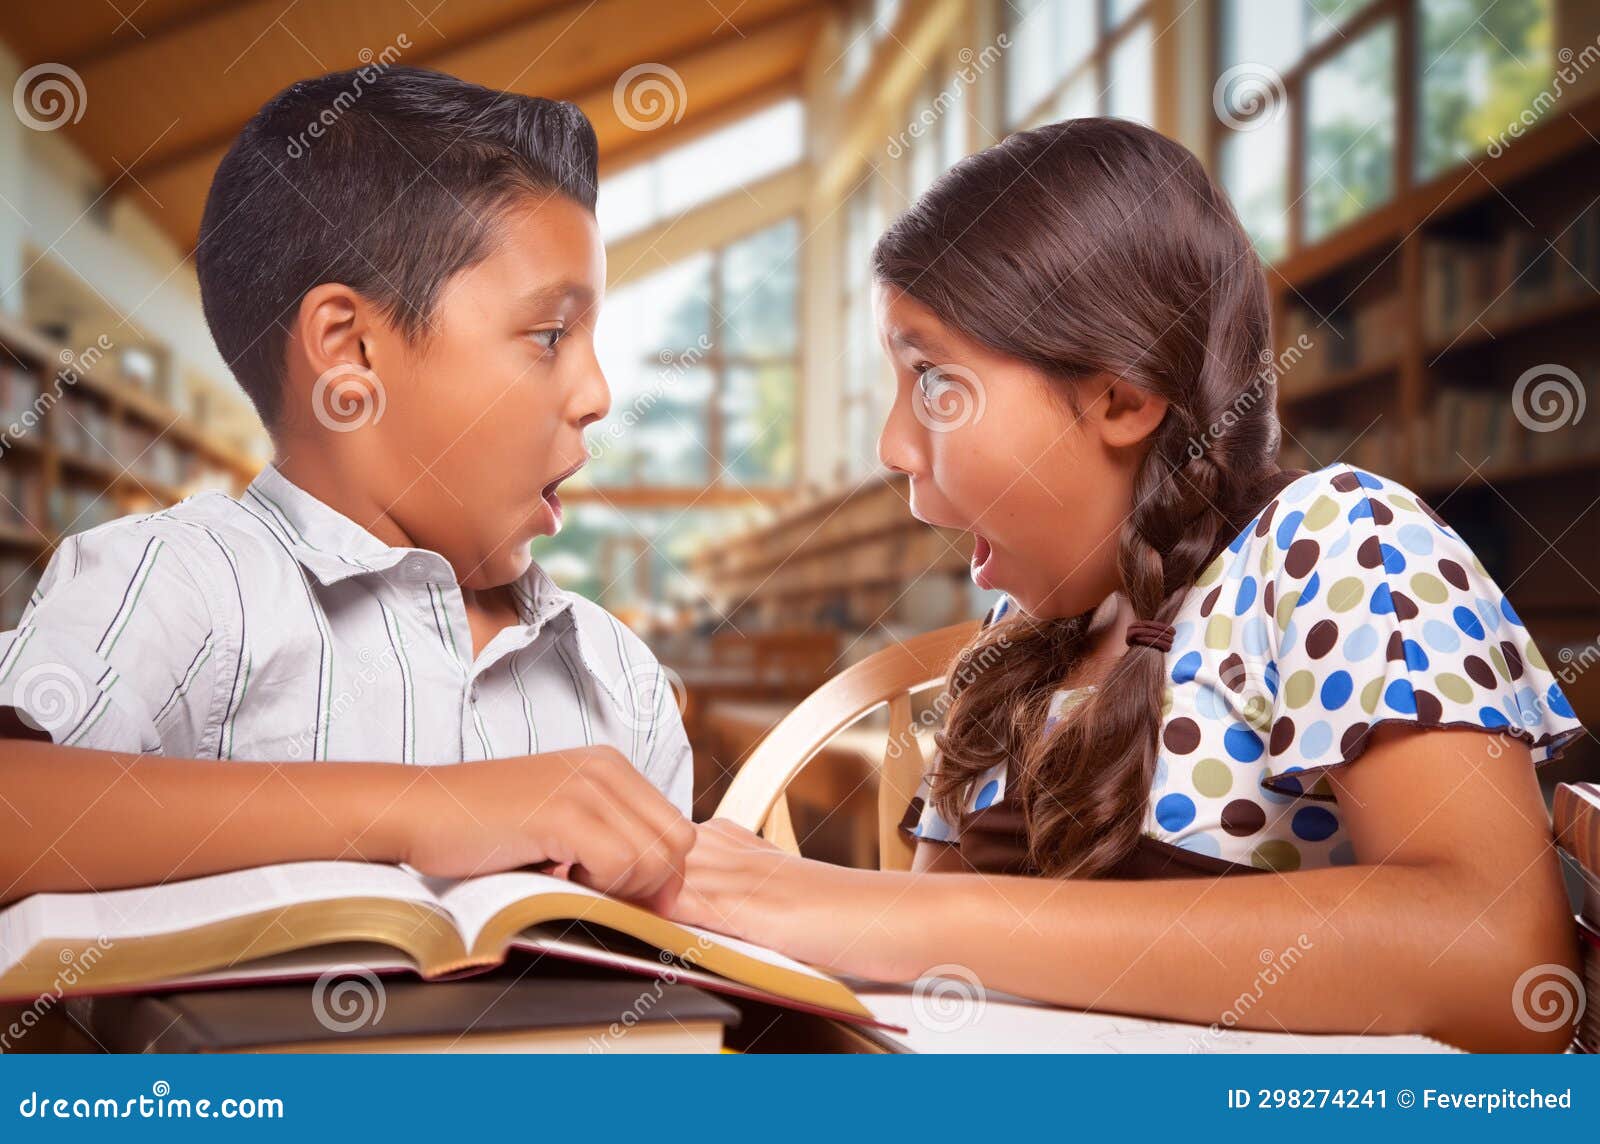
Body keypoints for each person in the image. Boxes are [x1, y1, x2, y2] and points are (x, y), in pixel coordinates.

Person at [668, 118, 1586, 1052]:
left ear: (1121, 397)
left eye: (935, 380)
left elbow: (1502, 963)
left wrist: (861, 909)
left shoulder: (1341, 543)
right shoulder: (1015, 638)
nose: (893, 447)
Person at [0, 68, 692, 909]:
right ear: (350, 352)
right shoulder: (182, 585)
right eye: (550, 335)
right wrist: (419, 808)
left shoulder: (621, 678)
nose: (598, 394)